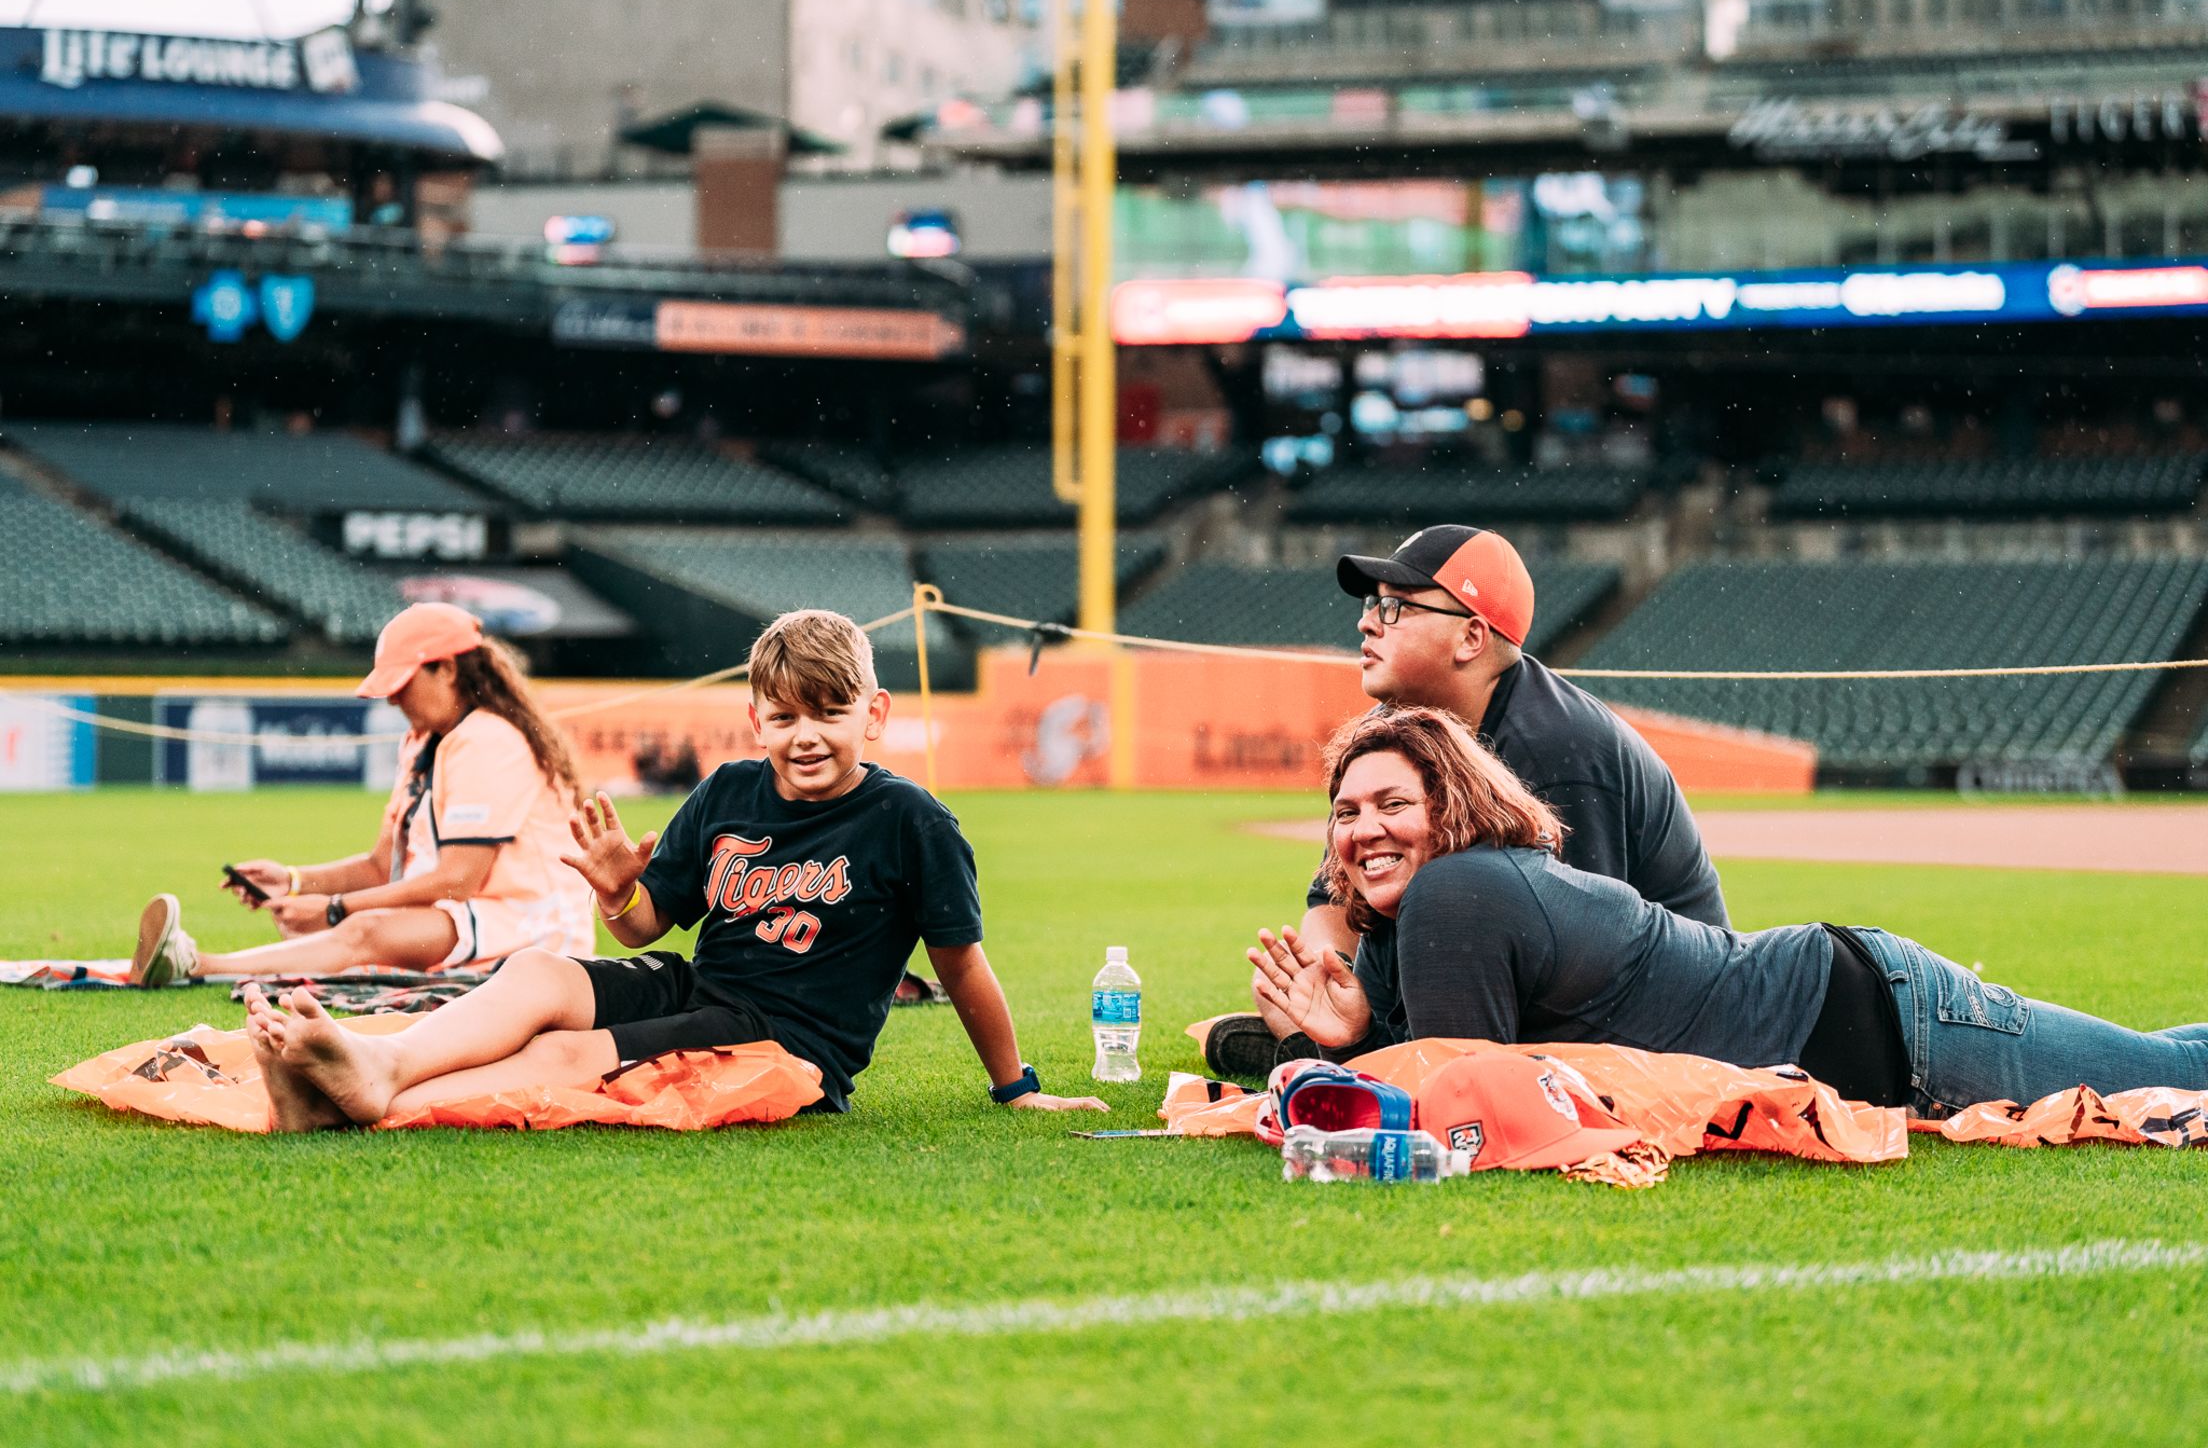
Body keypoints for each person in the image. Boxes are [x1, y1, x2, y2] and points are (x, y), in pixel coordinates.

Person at [240, 608, 1105, 1130]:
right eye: (785, 716)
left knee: (573, 1054)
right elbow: (646, 926)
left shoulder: (912, 821)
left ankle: (376, 1088)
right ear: (756, 720)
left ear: (873, 713)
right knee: (539, 972)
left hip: (786, 1047)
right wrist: (619, 884)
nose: (807, 735)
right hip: (702, 990)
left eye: (830, 714)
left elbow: (962, 964)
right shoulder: (729, 790)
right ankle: (379, 1061)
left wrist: (1016, 1089)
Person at [1248, 707, 2208, 1117]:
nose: (1363, 830)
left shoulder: (1461, 893)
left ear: (1449, 808)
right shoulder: (1404, 924)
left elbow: (1465, 1107)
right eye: (1343, 811)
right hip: (1850, 1013)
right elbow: (1431, 1078)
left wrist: (1313, 1058)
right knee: (2159, 1060)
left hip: (1876, 1019)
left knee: (2168, 1080)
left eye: (1391, 806)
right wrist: (1347, 1036)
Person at [1212, 524, 1727, 1077]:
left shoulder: (1559, 748)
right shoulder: (1393, 733)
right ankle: (1352, 1047)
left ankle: (1353, 1054)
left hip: (1663, 1019)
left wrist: (1366, 1039)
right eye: (1372, 604)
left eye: (1397, 608)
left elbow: (1581, 968)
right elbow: (1338, 902)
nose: (1366, 622)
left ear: (1471, 638)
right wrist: (1325, 982)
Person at [130, 602, 596, 985]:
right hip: (475, 918)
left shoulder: (489, 740)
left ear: (446, 670)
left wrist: (333, 910)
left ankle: (197, 966)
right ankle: (200, 964)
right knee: (346, 927)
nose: (392, 700)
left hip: (536, 932)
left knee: (364, 928)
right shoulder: (422, 742)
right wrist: (293, 881)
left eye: (401, 684)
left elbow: (458, 880)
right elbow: (381, 866)